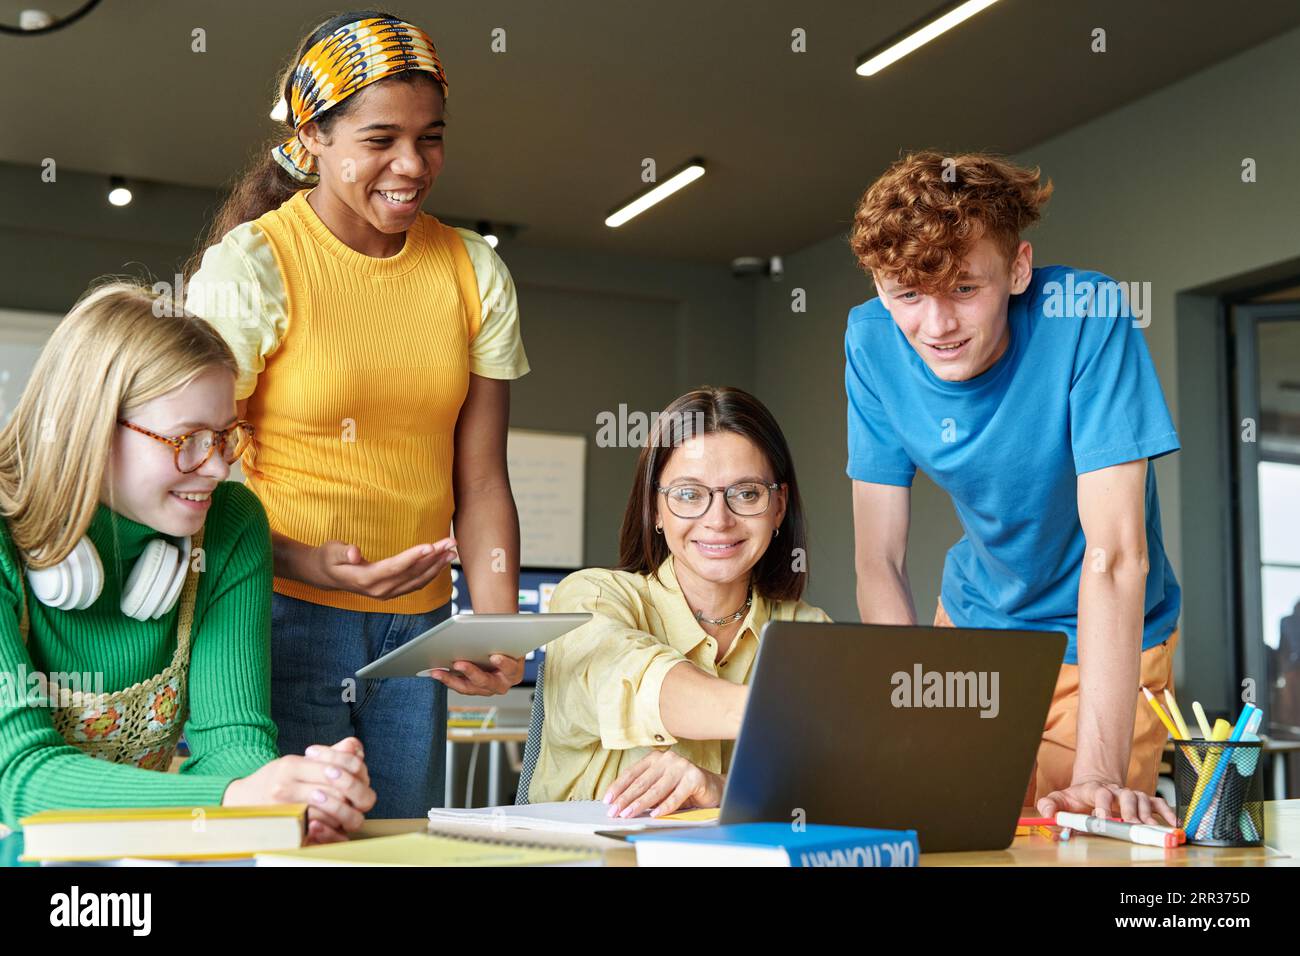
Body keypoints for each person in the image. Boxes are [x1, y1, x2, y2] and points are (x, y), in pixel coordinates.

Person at [184, 11, 530, 817]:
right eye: (380, 139)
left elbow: (480, 482)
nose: (412, 164)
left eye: (431, 137)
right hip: (275, 609)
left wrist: (498, 625)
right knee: (298, 840)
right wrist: (307, 562)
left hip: (420, 632)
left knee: (397, 840)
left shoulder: (475, 270)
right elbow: (195, 474)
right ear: (313, 140)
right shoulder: (255, 265)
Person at [845, 151, 1181, 825]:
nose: (936, 328)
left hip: (1106, 638)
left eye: (965, 289)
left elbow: (1114, 556)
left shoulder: (1085, 316)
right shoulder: (870, 340)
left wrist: (1095, 775)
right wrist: (908, 705)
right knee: (949, 825)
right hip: (973, 627)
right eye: (907, 294)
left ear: (1018, 269)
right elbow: (878, 557)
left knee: (1078, 828)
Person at [0, 282, 373, 843]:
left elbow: (232, 740)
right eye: (187, 439)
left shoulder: (228, 524)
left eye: (225, 437)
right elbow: (18, 779)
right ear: (92, 426)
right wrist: (235, 800)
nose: (218, 467)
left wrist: (293, 799)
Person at [531, 387, 830, 818]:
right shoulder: (590, 597)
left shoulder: (808, 630)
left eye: (746, 493)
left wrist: (724, 788)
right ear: (655, 508)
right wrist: (809, 716)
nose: (718, 520)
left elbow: (832, 786)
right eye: (689, 495)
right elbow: (634, 679)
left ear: (778, 507)